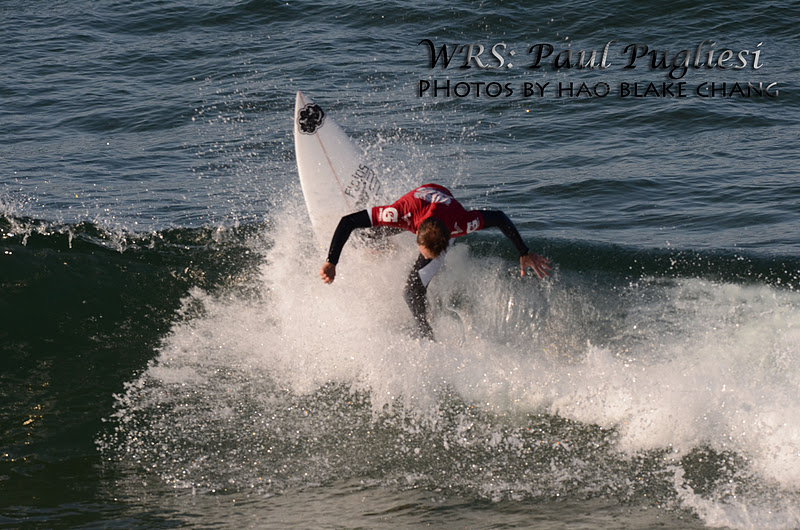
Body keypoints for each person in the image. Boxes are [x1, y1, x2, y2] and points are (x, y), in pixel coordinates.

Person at [319, 183, 551, 339]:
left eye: (433, 256)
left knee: (412, 291)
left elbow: (500, 217)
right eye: (426, 253)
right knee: (365, 233)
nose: (428, 257)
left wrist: (524, 252)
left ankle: (425, 334)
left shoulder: (461, 224)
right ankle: (383, 246)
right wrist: (332, 261)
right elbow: (347, 221)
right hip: (417, 206)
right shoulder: (398, 214)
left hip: (445, 213)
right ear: (417, 237)